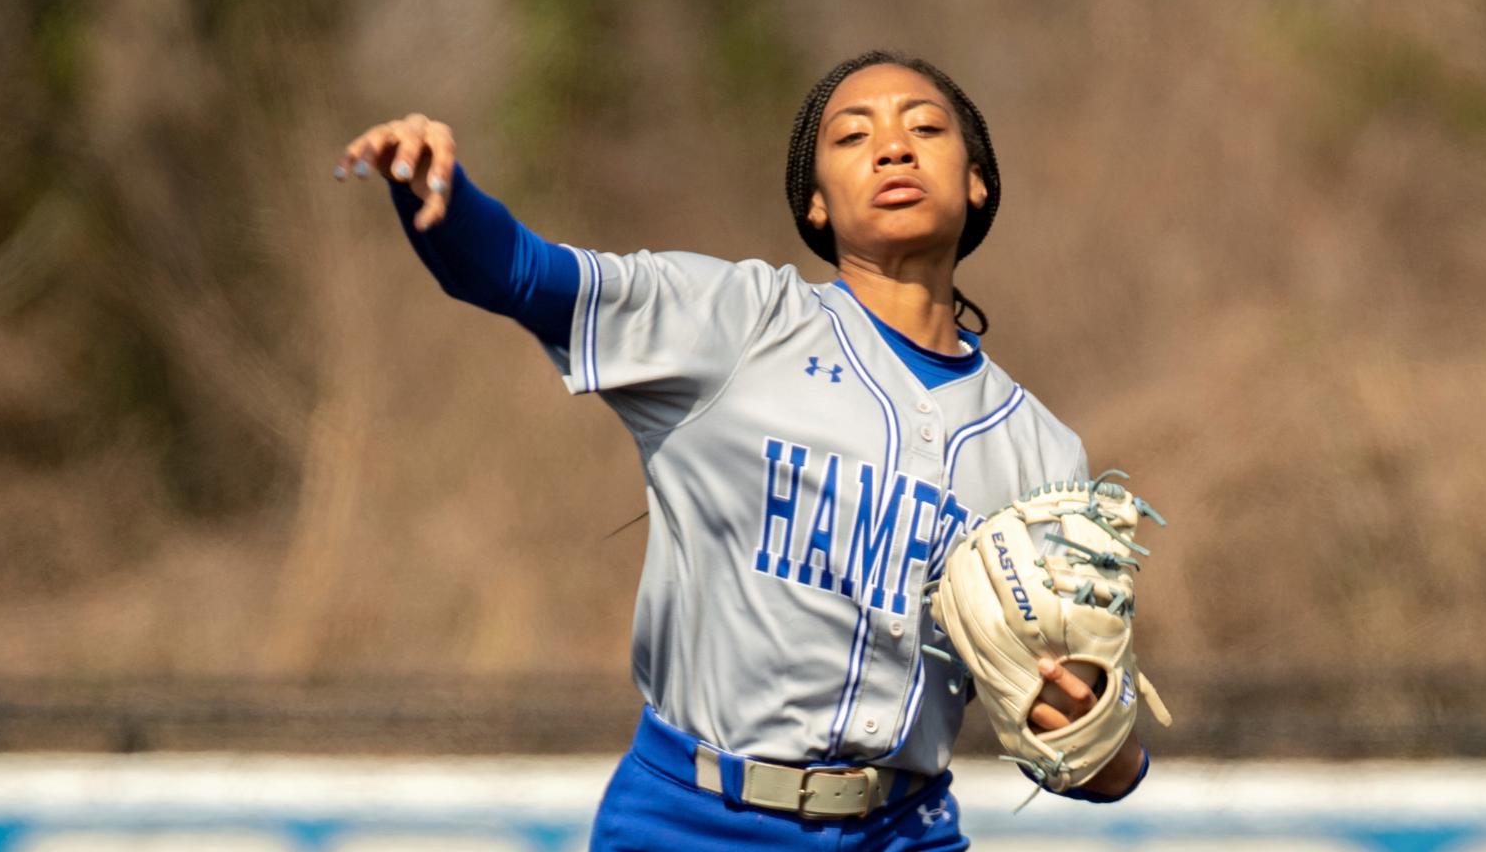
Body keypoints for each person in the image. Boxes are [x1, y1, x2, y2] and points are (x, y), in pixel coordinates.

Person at [337, 51, 1151, 850]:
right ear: (816, 205)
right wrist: (435, 190)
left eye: (927, 128)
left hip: (906, 832)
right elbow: (522, 274)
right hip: (694, 821)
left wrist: (1086, 727)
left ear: (976, 180)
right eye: (853, 136)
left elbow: (1098, 767)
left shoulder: (1041, 453)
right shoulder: (735, 323)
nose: (894, 148)